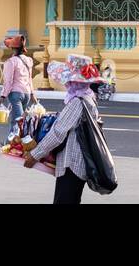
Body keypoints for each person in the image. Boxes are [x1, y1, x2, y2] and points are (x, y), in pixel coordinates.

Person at [24, 53, 105, 205]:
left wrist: (35, 155)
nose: (66, 83)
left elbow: (58, 133)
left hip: (72, 164)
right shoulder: (88, 98)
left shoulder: (78, 102)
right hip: (78, 162)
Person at [1, 35, 35, 133]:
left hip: (15, 94)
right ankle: (18, 142)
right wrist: (32, 94)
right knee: (20, 120)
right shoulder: (28, 60)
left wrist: (3, 95)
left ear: (12, 48)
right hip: (27, 94)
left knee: (18, 121)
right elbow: (29, 78)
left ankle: (10, 142)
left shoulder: (11, 62)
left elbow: (8, 81)